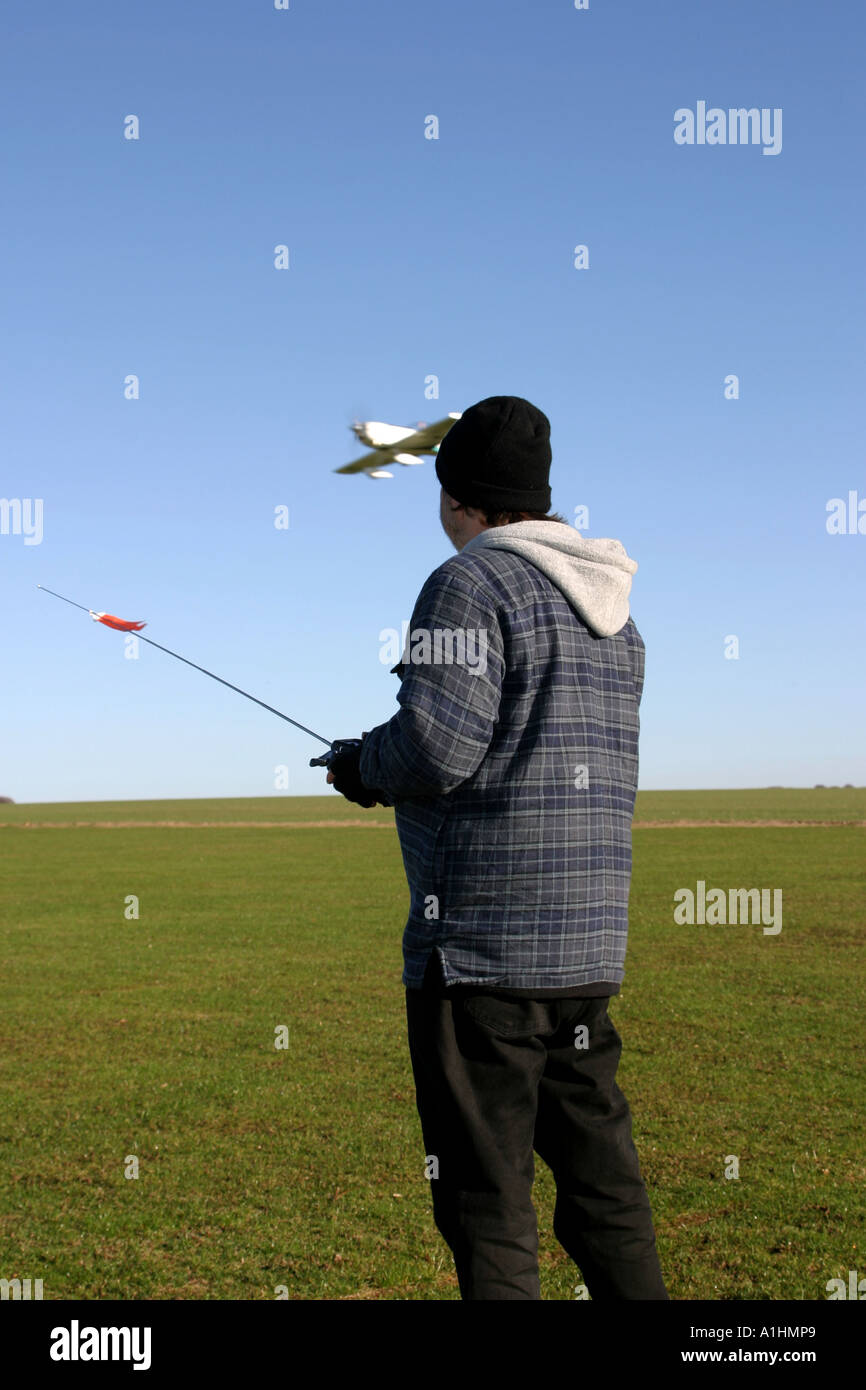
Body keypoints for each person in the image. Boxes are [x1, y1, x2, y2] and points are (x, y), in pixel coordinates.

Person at [323, 395, 668, 1301]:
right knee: (605, 1190)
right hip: (587, 957)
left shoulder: (469, 583)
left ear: (459, 500)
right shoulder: (616, 617)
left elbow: (436, 746)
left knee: (487, 1201)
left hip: (482, 954)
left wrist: (364, 765)